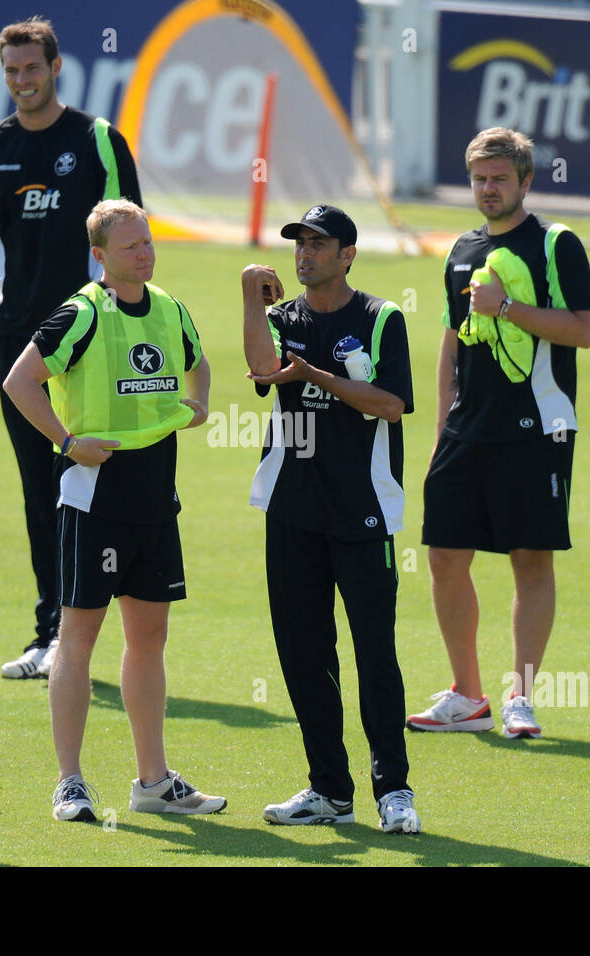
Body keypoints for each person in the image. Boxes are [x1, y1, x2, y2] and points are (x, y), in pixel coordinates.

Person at [2, 199, 224, 821]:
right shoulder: (81, 313)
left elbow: (199, 363)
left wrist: (199, 402)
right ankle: (69, 782)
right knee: (78, 637)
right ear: (100, 256)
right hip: (93, 497)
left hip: (156, 499)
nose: (146, 254)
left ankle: (152, 784)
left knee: (149, 636)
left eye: (149, 243)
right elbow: (21, 381)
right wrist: (68, 443)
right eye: (132, 248)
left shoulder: (170, 308)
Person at [0, 16, 142, 680]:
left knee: (92, 488)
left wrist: (101, 324)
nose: (22, 81)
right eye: (11, 71)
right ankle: (51, 634)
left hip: (89, 337)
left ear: (55, 67)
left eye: (32, 68)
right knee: (39, 491)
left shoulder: (96, 141)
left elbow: (129, 242)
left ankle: (94, 627)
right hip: (17, 343)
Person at [407, 127, 590, 739]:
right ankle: (467, 695)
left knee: (529, 557)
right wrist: (440, 428)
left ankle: (522, 695)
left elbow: (583, 329)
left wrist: (508, 309)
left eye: (499, 179)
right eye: (479, 179)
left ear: (525, 181)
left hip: (538, 426)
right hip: (468, 429)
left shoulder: (556, 244)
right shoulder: (461, 248)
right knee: (443, 556)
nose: (487, 190)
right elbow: (448, 344)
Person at [243, 205, 420, 834]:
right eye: (299, 243)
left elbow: (392, 404)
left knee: (375, 652)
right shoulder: (279, 317)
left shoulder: (380, 319)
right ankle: (329, 790)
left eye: (320, 244)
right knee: (304, 651)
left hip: (363, 510)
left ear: (348, 254)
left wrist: (313, 373)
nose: (305, 253)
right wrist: (249, 297)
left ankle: (393, 789)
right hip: (291, 507)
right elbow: (264, 372)